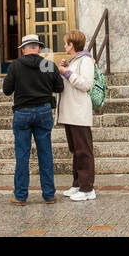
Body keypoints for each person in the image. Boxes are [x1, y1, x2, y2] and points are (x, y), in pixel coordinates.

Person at [2, 33, 63, 205]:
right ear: (39, 48)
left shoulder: (15, 66)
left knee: (22, 155)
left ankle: (21, 196)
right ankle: (49, 194)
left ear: (23, 50)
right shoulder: (48, 64)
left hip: (22, 113)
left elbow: (7, 90)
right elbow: (59, 87)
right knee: (46, 154)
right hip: (43, 111)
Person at [56, 28, 97, 201]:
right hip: (71, 112)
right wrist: (67, 69)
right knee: (76, 150)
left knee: (83, 151)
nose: (64, 45)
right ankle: (78, 184)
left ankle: (88, 188)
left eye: (66, 43)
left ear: (72, 45)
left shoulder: (85, 60)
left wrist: (66, 72)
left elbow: (86, 84)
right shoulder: (76, 61)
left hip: (79, 112)